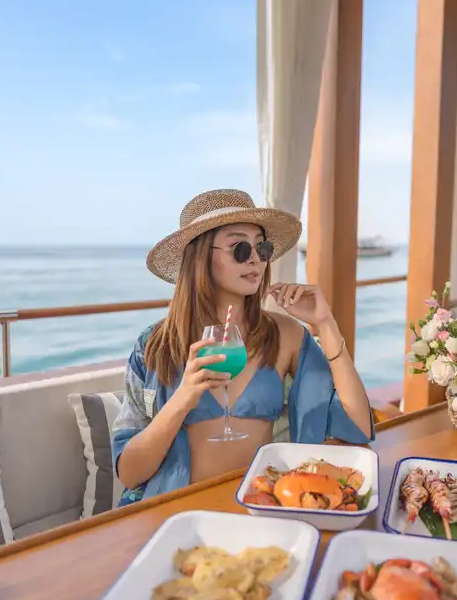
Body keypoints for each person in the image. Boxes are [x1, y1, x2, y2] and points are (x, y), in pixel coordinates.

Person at [111, 189, 374, 505]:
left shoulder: (285, 334)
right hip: (174, 506)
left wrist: (326, 325)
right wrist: (181, 400)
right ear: (200, 257)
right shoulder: (154, 346)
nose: (254, 259)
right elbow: (130, 473)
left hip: (256, 506)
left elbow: (358, 428)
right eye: (240, 248)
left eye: (261, 247)